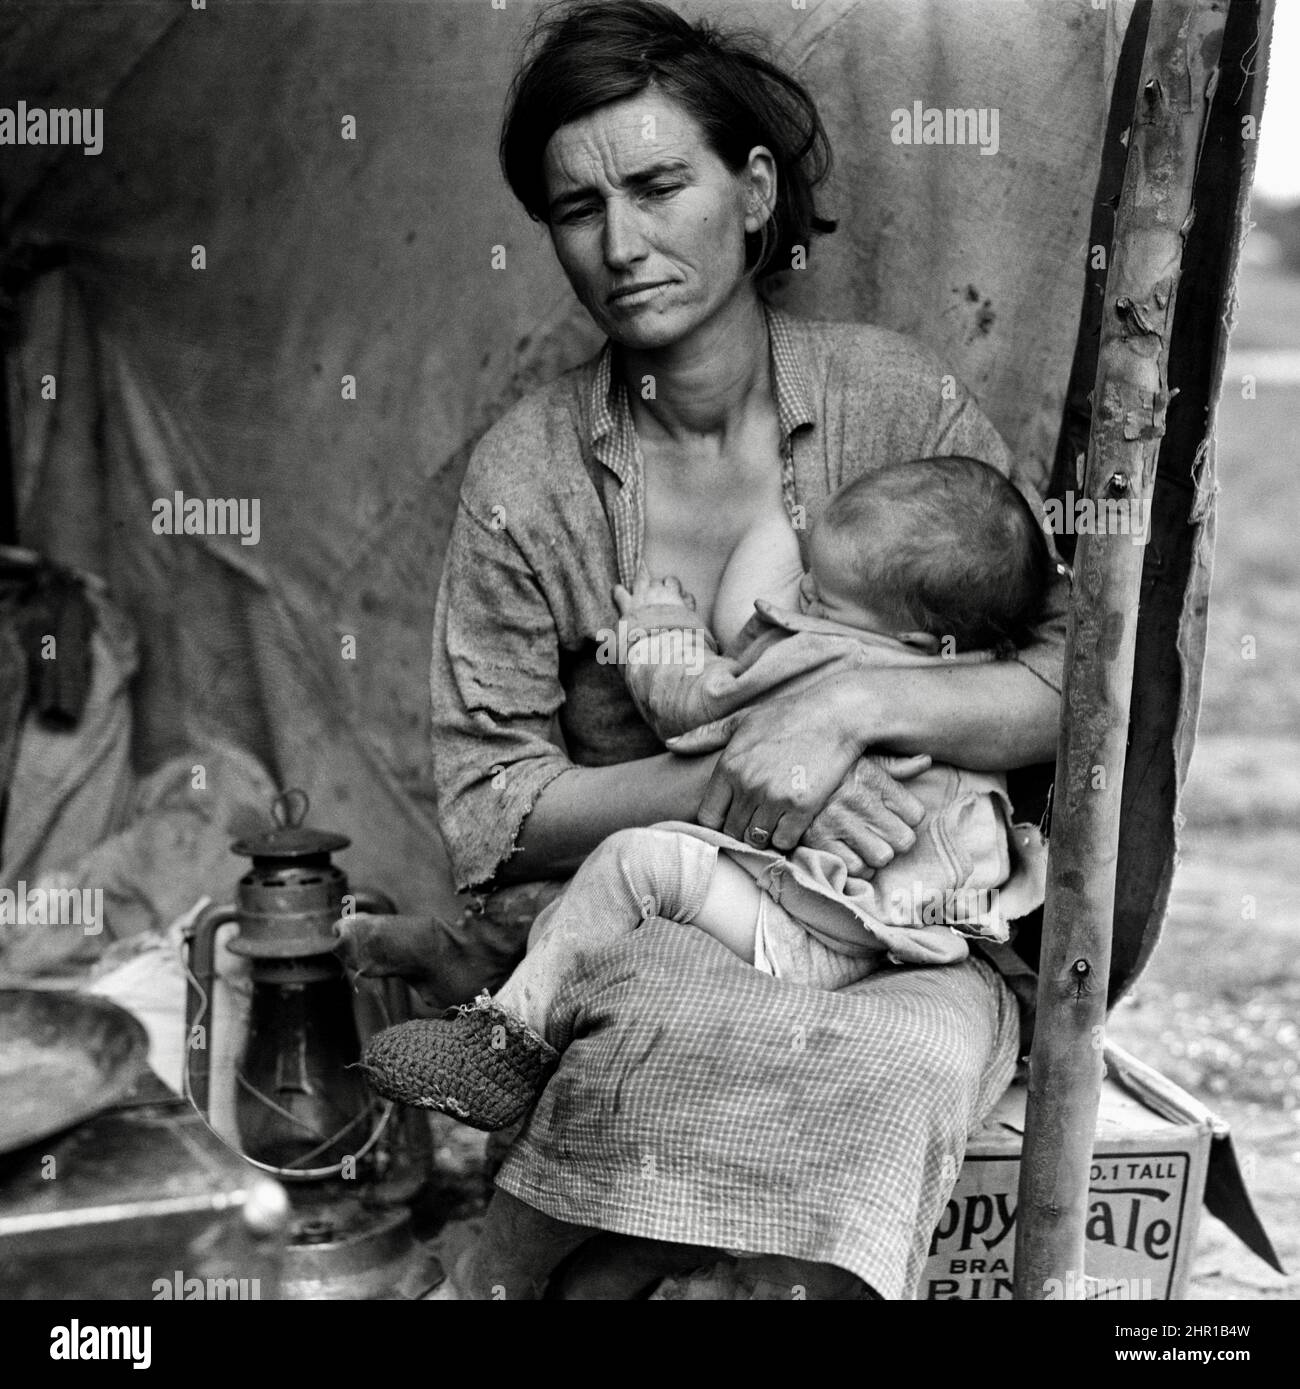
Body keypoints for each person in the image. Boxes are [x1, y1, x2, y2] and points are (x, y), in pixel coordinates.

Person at [336, 0, 1068, 1300]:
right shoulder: (531, 471)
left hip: (917, 937)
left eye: (660, 184)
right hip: (683, 917)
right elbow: (489, 807)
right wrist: (743, 777)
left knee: (892, 1078)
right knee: (655, 1030)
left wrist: (845, 710)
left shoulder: (897, 406)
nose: (621, 244)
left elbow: (1069, 688)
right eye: (577, 208)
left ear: (751, 190)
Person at [359, 454, 1055, 1133]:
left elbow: (696, 701)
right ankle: (491, 973)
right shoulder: (974, 670)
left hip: (820, 934)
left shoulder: (828, 655)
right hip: (906, 927)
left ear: (906, 634)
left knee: (635, 863)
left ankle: (503, 1047)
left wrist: (660, 629)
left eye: (819, 595)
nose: (799, 594)